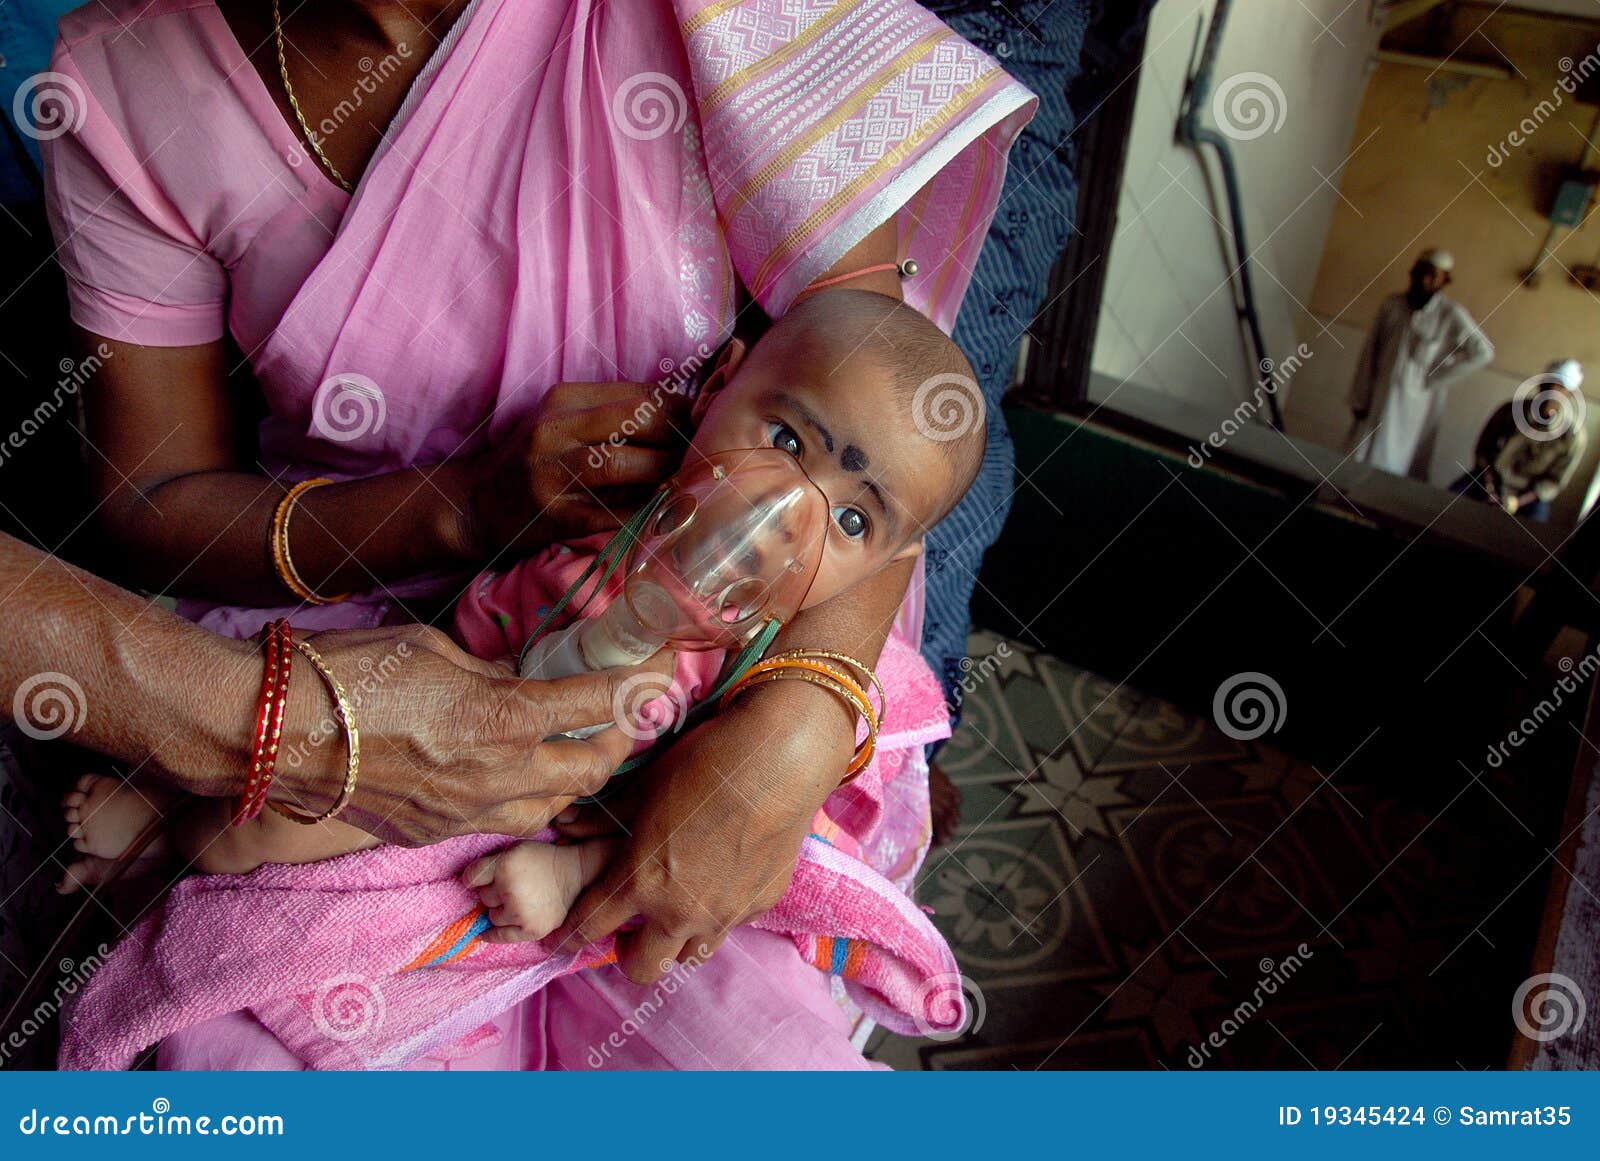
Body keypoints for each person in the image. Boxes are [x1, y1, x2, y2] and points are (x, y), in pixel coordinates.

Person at [41, 0, 1033, 1069]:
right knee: (250, 1019)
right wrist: (458, 506)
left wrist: (789, 730)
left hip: (760, 669)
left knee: (743, 1047)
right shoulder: (125, 77)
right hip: (369, 623)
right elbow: (160, 501)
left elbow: (873, 399)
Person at [60, 291, 985, 942]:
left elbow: (699, 829)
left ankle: (167, 838)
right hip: (437, 673)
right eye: (784, 440)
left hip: (537, 802)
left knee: (249, 839)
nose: (784, 513)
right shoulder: (607, 500)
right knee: (288, 712)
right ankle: (165, 798)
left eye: (854, 520)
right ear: (718, 387)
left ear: (891, 568)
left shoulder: (764, 671)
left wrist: (572, 874)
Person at [0, 528, 651, 844]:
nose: (749, 541)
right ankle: (172, 815)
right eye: (760, 436)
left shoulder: (713, 658)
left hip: (510, 792)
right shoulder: (616, 516)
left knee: (280, 836)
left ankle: (170, 838)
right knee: (286, 803)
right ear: (713, 386)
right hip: (414, 644)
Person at [1348, 248, 1495, 481]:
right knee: (1357, 458)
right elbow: (1370, 352)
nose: (1425, 280)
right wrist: (1360, 396)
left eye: (1433, 275)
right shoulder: (1393, 305)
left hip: (1413, 407)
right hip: (1378, 398)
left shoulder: (1450, 314)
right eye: (1422, 273)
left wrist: (1433, 379)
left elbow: (1483, 353)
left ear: (1443, 280)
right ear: (1413, 273)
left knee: (1395, 466)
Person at [1451, 360, 1589, 524]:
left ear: (1569, 394)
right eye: (1548, 384)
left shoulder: (1573, 437)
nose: (1551, 391)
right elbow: (1483, 450)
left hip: (1528, 497)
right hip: (1489, 480)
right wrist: (1490, 487)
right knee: (1445, 503)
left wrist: (1517, 502)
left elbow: (1554, 482)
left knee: (1531, 538)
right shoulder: (1509, 411)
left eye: (1560, 387)